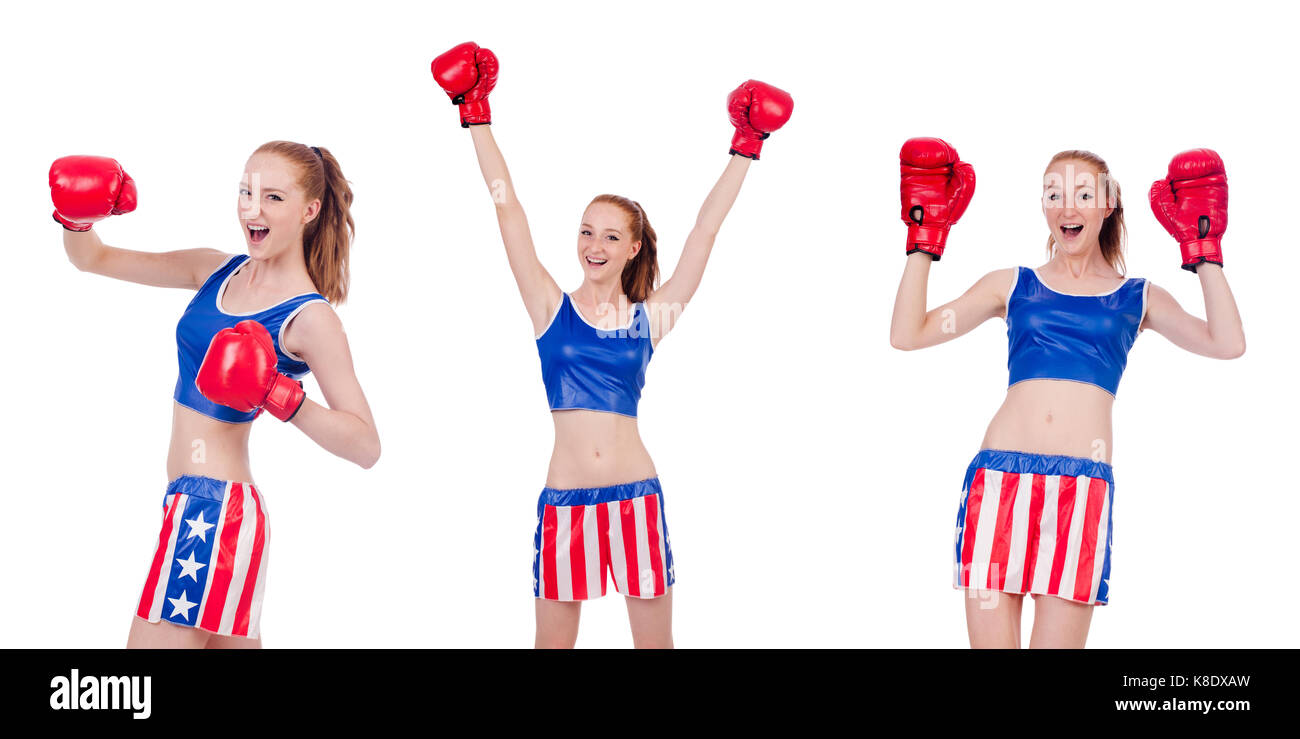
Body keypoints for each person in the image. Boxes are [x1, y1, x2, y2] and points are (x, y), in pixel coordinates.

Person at [430, 42, 792, 648]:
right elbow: (510, 213)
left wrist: (745, 147)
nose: (593, 245)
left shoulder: (653, 318)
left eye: (610, 235)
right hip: (565, 500)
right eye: (585, 231)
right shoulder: (550, 309)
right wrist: (476, 115)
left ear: (632, 248)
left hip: (635, 499)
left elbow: (705, 230)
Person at [888, 140, 1245, 648]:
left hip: (1080, 492)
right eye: (1053, 194)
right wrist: (924, 238)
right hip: (999, 481)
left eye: (1082, 193)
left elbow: (1227, 343)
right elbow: (908, 334)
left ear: (1108, 205)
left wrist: (1203, 249)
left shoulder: (1137, 296)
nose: (1066, 206)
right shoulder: (1012, 284)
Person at [49, 142, 381, 648]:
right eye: (246, 192)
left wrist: (277, 393)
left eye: (273, 197)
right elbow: (95, 259)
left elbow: (365, 446)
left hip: (213, 512)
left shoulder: (311, 318)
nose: (253, 208)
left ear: (309, 211)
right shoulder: (214, 270)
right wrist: (76, 220)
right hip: (191, 506)